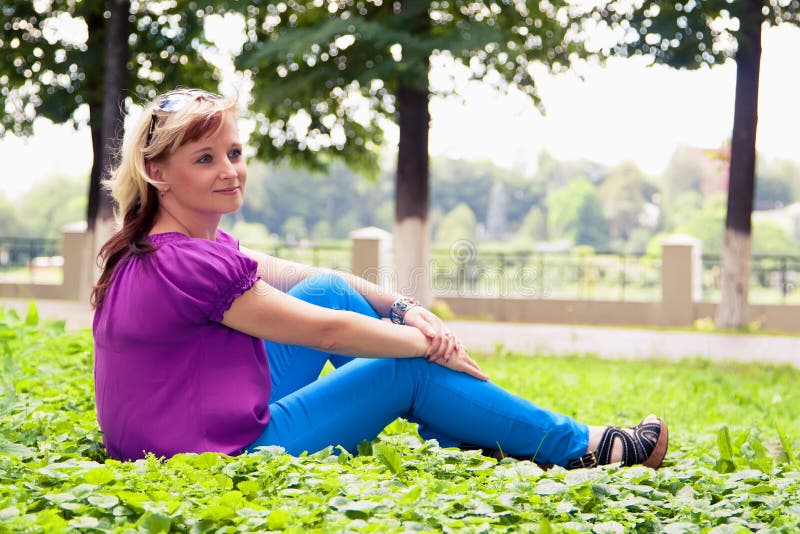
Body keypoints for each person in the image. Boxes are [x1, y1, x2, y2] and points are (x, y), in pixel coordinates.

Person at [91, 88, 668, 470]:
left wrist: (402, 308)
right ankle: (587, 447)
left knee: (337, 292)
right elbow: (328, 334)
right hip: (213, 453)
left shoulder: (158, 245)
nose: (230, 170)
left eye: (235, 152)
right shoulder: (190, 263)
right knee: (404, 369)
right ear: (157, 172)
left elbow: (313, 281)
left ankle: (466, 428)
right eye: (205, 158)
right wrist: (429, 347)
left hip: (178, 431)